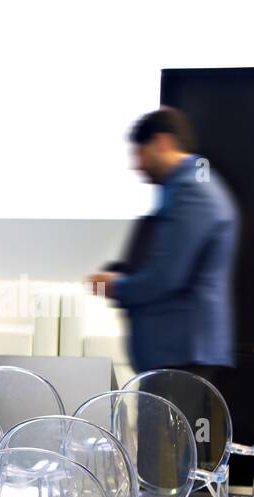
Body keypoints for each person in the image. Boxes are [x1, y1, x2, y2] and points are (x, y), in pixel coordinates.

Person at [87, 107, 237, 378]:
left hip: (182, 355)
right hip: (178, 355)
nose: (137, 164)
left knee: (170, 423)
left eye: (140, 152)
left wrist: (114, 286)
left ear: (162, 142)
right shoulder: (186, 187)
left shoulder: (192, 190)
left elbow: (166, 277)